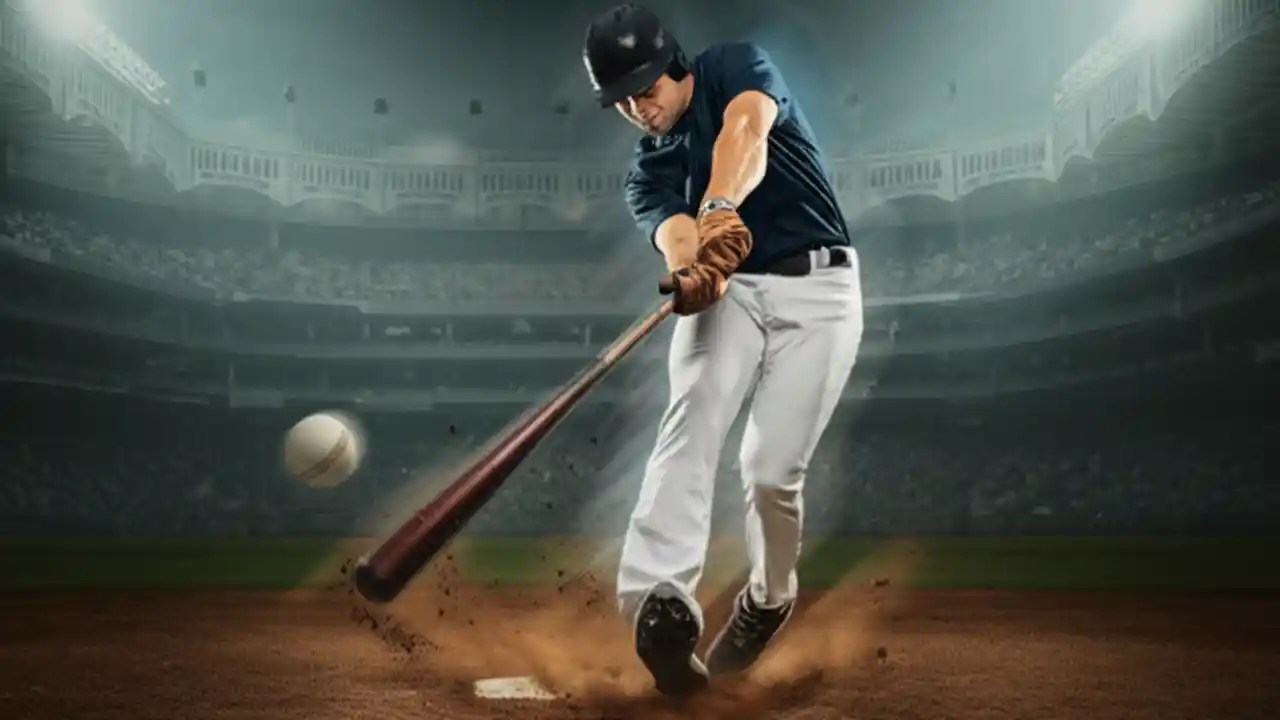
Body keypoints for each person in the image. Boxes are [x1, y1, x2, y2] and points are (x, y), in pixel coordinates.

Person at [582, 4, 864, 696]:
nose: (639, 109)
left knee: (769, 473)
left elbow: (748, 131)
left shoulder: (732, 66)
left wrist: (718, 210)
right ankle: (658, 602)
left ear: (675, 65)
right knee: (694, 410)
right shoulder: (645, 173)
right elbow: (675, 238)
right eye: (622, 100)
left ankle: (768, 599)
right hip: (730, 293)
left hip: (819, 289)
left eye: (646, 88)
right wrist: (692, 270)